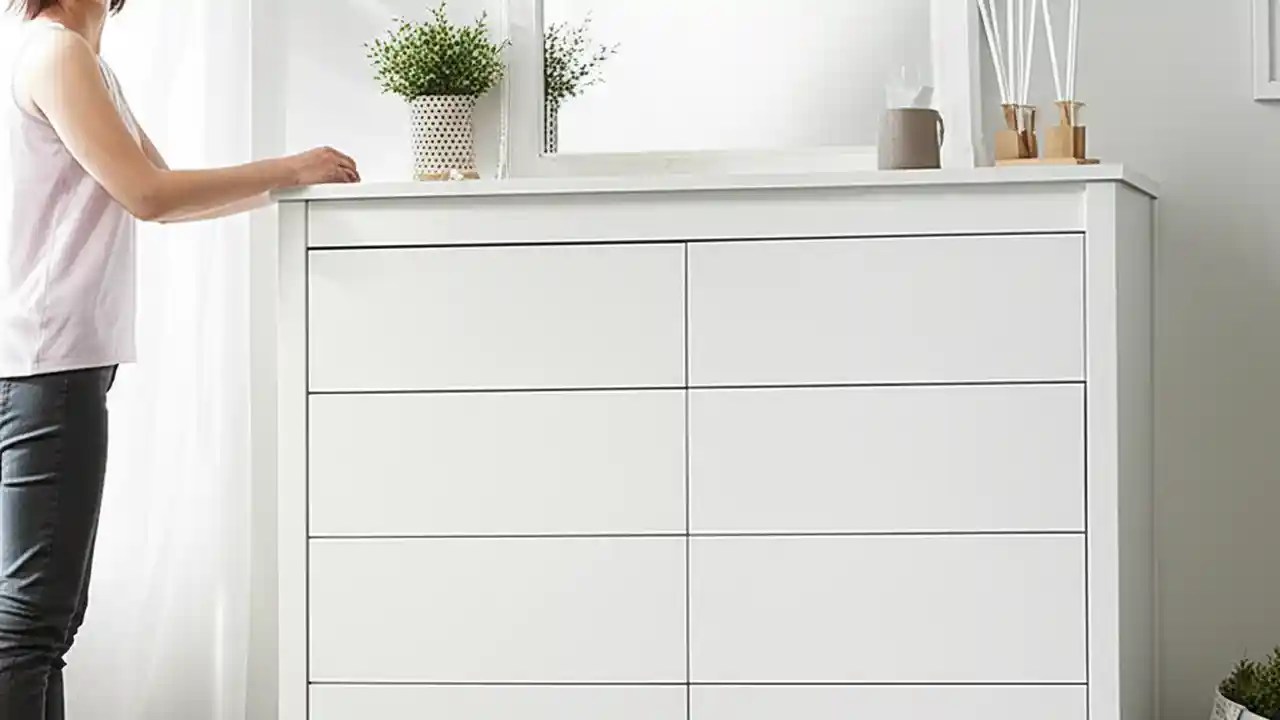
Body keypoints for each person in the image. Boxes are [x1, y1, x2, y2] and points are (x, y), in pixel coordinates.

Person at [0, 0, 359, 716]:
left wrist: (287, 185)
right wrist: (292, 164)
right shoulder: (57, 54)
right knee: (31, 624)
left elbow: (164, 190)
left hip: (46, 363)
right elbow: (148, 196)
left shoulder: (70, 57)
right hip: (48, 365)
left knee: (42, 625)